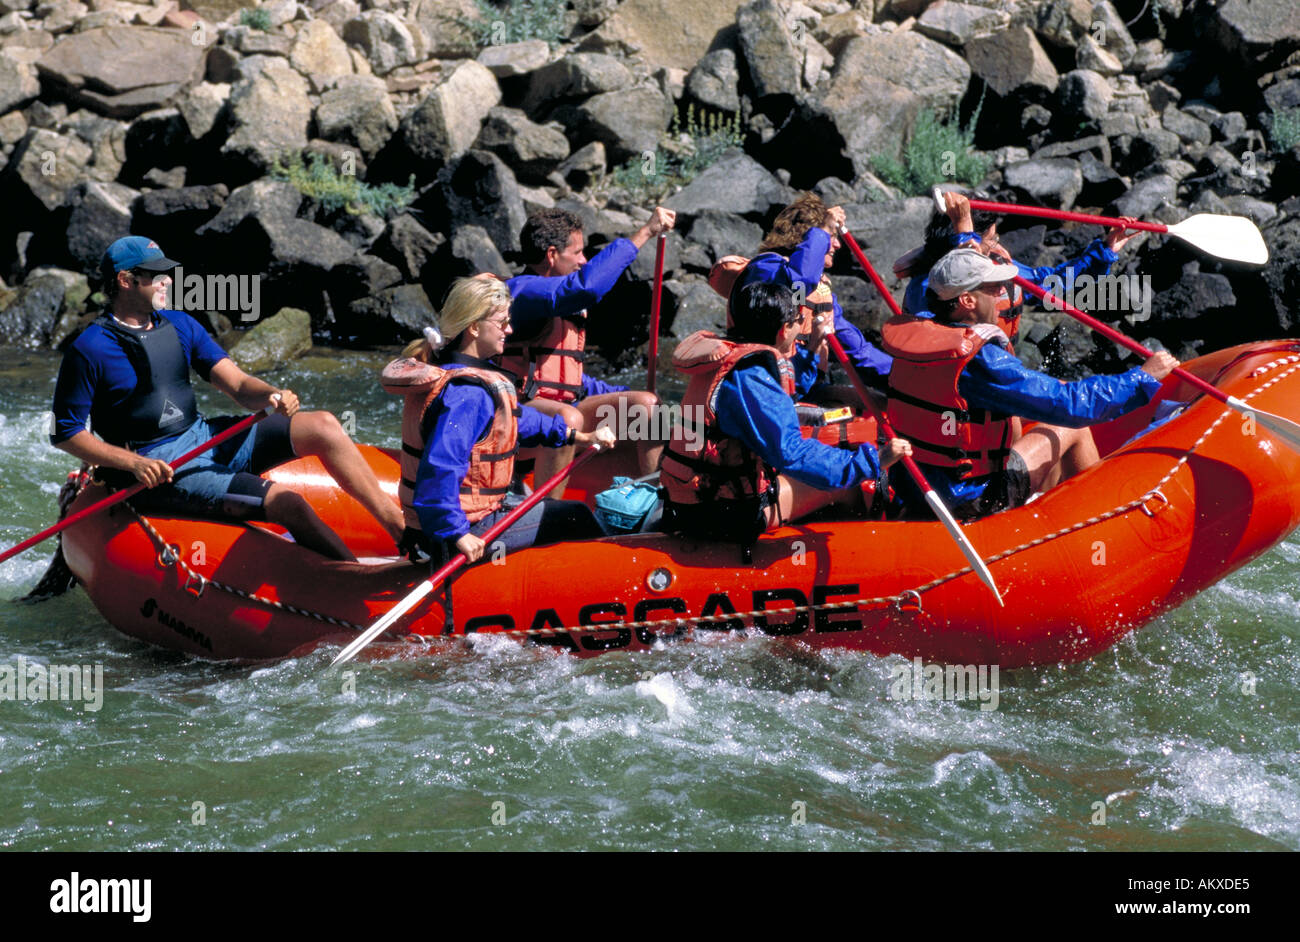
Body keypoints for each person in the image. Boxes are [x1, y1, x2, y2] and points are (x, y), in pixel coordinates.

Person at [50, 236, 404, 561]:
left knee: (324, 425)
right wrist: (132, 463)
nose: (168, 281)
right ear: (126, 280)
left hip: (203, 438)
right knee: (290, 504)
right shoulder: (89, 348)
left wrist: (271, 394)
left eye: (167, 273)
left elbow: (237, 385)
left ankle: (401, 531)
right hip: (158, 471)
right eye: (156, 275)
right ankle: (355, 579)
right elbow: (66, 432)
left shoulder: (180, 324)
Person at [883, 248, 1179, 520]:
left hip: (919, 489)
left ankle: (1053, 512)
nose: (1002, 293)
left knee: (1017, 421)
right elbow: (1068, 404)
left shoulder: (918, 337)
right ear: (967, 301)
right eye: (992, 288)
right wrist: (1142, 377)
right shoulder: (978, 360)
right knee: (1066, 428)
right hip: (971, 500)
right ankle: (1109, 519)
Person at [381, 276, 615, 565]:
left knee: (546, 507)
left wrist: (580, 437)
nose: (510, 330)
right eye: (502, 323)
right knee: (574, 515)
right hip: (459, 530)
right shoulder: (467, 395)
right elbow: (440, 466)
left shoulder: (459, 376)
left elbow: (521, 419)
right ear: (475, 327)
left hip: (468, 518)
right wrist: (457, 534)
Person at [661, 282, 911, 543]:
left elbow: (777, 396)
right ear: (783, 330)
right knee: (858, 485)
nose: (798, 328)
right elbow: (791, 453)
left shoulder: (734, 358)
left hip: (695, 495)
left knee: (831, 466)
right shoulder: (749, 377)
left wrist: (812, 348)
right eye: (796, 322)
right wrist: (872, 460)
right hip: (719, 510)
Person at [500, 206, 674, 485]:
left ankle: (656, 501)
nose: (584, 260)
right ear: (552, 255)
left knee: (648, 406)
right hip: (516, 417)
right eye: (578, 252)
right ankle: (547, 517)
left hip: (565, 409)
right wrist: (645, 232)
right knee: (567, 417)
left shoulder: (563, 302)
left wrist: (626, 394)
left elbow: (568, 379)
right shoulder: (520, 292)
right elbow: (586, 288)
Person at [897, 191, 1139, 340]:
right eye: (992, 239)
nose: (997, 245)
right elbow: (939, 341)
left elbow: (1050, 285)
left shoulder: (995, 265)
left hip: (998, 377)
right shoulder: (928, 289)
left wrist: (1104, 251)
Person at [727, 192, 893, 391]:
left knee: (872, 403)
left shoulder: (815, 291)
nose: (838, 244)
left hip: (803, 384)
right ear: (806, 238)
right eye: (831, 236)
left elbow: (855, 348)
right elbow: (800, 281)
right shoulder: (766, 270)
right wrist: (824, 228)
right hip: (763, 385)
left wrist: (901, 375)